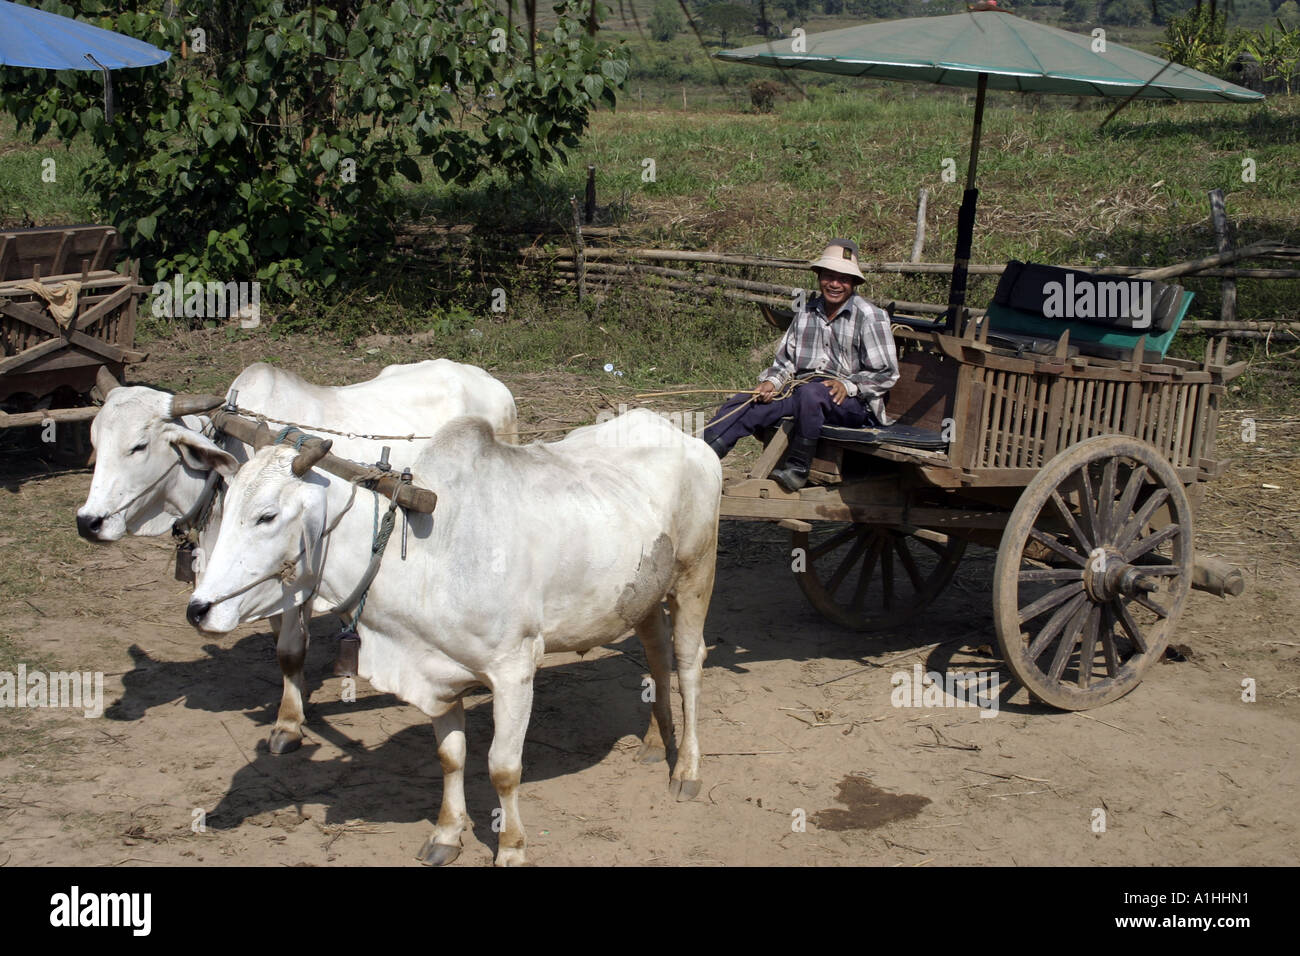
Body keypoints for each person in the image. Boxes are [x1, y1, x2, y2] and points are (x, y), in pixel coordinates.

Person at [702, 239, 899, 492]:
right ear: (819, 277)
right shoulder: (807, 313)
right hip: (802, 391)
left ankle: (798, 467)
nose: (835, 284)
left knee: (812, 394)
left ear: (854, 283)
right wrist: (771, 382)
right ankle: (701, 456)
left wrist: (848, 385)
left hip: (851, 404)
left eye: (843, 279)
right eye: (829, 276)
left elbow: (886, 373)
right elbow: (785, 362)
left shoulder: (870, 316)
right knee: (747, 401)